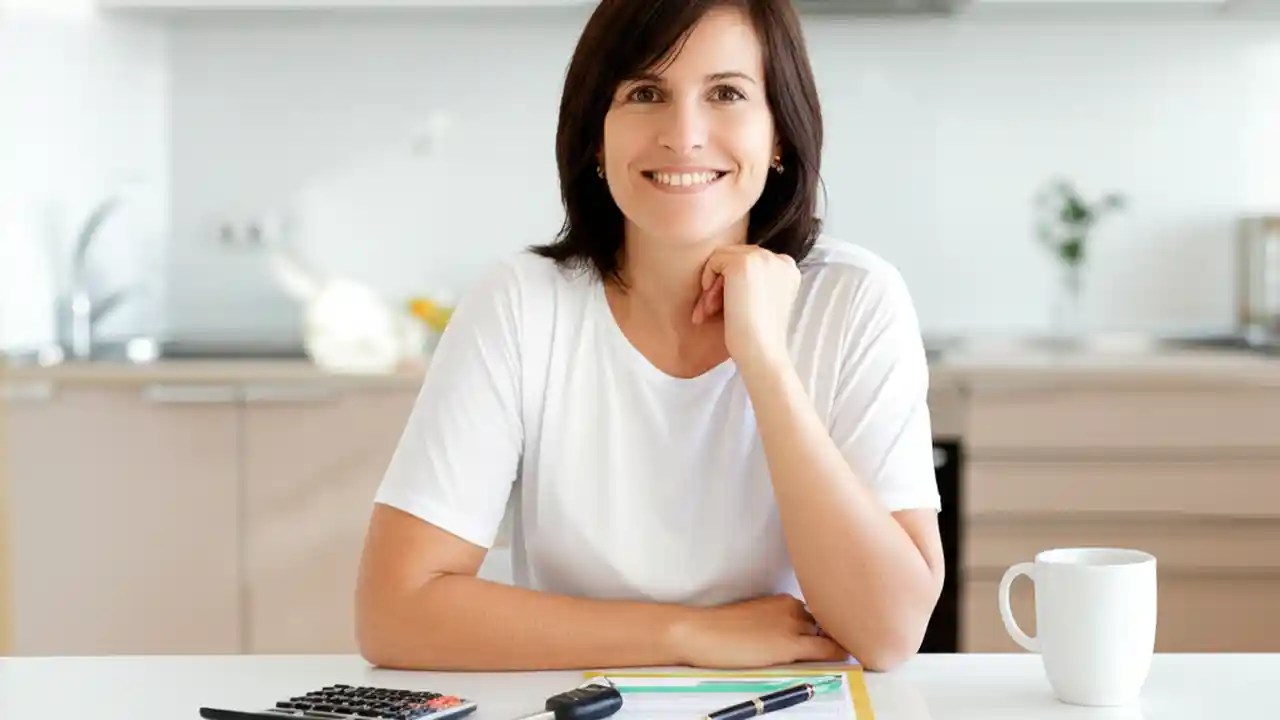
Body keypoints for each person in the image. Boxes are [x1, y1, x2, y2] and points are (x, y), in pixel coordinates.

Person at [355, 0, 944, 673]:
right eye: (645, 92)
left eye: (726, 93)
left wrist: (765, 363)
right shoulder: (521, 304)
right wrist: (685, 636)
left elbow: (890, 633)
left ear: (779, 133)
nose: (684, 134)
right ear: (595, 140)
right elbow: (393, 613)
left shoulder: (856, 298)